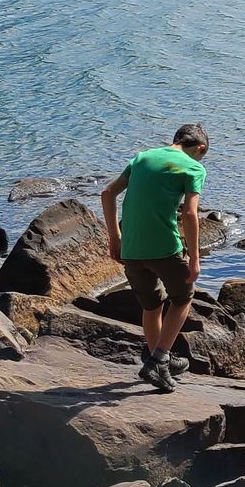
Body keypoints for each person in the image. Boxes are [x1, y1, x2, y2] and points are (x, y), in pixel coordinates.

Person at [100, 123, 209, 393]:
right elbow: (190, 214)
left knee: (152, 305)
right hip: (165, 248)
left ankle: (159, 360)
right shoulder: (194, 167)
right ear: (201, 148)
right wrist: (195, 257)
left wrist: (115, 238)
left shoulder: (142, 158)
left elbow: (107, 193)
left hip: (133, 249)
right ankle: (159, 359)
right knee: (183, 298)